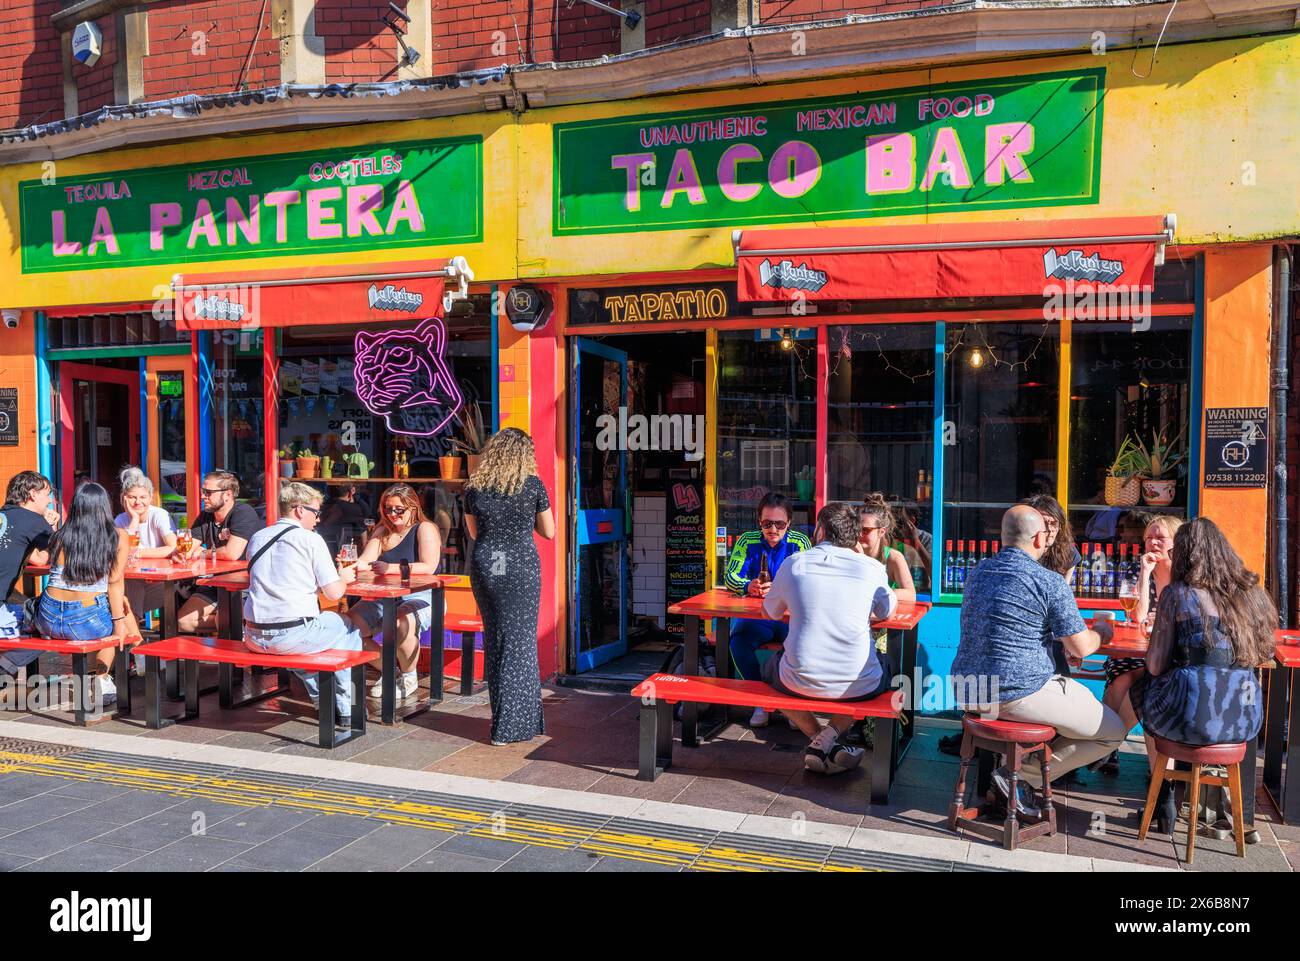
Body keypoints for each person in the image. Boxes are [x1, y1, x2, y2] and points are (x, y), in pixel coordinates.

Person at [952, 505, 1126, 819]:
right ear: (1037, 539)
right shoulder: (1048, 582)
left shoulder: (978, 572)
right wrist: (1103, 630)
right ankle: (1018, 777)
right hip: (1014, 693)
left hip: (968, 691)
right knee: (1112, 731)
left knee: (1073, 699)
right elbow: (1082, 648)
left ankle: (1017, 780)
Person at [1130, 518, 1275, 833]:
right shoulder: (1252, 592)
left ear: (1185, 554)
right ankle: (1214, 809)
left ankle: (1163, 793)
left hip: (1193, 720)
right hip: (1245, 719)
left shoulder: (1178, 594)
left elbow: (1155, 665)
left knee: (1143, 687)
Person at [760, 502, 897, 774]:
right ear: (854, 534)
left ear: (820, 530)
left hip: (796, 680)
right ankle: (828, 740)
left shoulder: (794, 563)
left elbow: (769, 614)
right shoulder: (870, 568)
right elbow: (887, 611)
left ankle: (819, 741)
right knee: (886, 666)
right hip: (860, 685)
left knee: (769, 669)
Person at [464, 428, 555, 746]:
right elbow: (549, 531)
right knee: (520, 644)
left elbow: (475, 533)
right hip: (519, 568)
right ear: (524, 456)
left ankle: (525, 720)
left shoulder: (475, 488)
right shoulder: (533, 486)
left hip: (487, 566)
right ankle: (508, 727)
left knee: (498, 639)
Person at [242, 482, 362, 722]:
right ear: (299, 510)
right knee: (349, 628)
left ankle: (320, 701)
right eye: (316, 513)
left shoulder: (257, 537)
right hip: (292, 636)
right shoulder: (310, 540)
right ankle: (349, 707)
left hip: (253, 636)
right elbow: (334, 594)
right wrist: (344, 577)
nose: (318, 519)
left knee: (309, 640)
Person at [33, 482, 140, 706]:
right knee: (116, 612)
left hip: (47, 619)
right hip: (83, 622)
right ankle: (104, 677)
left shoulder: (61, 535)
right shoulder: (118, 536)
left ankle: (139, 653)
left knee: (119, 604)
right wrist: (119, 622)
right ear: (104, 507)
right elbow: (114, 583)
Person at [1098, 514, 1184, 774]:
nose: (1153, 543)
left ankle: (1104, 744)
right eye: (1149, 538)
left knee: (1144, 680)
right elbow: (1136, 616)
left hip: (1171, 654)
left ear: (1177, 542)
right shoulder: (1138, 570)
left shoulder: (1186, 574)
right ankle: (1105, 744)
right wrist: (1145, 573)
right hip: (1139, 650)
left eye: (1160, 537)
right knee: (1125, 675)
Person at [722, 492, 812, 727]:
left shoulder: (799, 542)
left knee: (805, 645)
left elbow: (809, 580)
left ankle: (794, 703)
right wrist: (747, 585)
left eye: (779, 524)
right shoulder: (746, 540)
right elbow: (729, 576)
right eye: (767, 523)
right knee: (737, 641)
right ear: (758, 521)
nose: (773, 529)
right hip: (757, 618)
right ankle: (761, 700)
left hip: (788, 619)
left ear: (789, 523)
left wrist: (782, 588)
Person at [347, 483, 442, 702]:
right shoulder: (383, 530)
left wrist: (390, 568)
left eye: (399, 509)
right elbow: (365, 561)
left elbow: (428, 566)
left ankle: (409, 676)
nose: (392, 514)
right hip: (385, 596)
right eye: (388, 509)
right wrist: (343, 569)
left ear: (413, 507)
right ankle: (391, 671)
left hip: (422, 594)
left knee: (401, 623)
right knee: (348, 625)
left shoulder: (424, 528)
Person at [175, 470, 262, 633]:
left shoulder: (243, 512)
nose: (203, 496)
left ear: (227, 494)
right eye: (203, 492)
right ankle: (231, 622)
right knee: (183, 621)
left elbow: (231, 553)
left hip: (243, 585)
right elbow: (185, 551)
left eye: (208, 492)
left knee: (225, 620)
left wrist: (202, 553)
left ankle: (231, 623)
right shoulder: (206, 516)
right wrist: (189, 551)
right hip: (214, 582)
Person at [0, 471, 59, 674]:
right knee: (54, 624)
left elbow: (35, 558)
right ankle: (3, 668)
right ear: (33, 494)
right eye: (47, 494)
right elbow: (47, 557)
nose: (50, 500)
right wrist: (49, 528)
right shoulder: (33, 519)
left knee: (24, 605)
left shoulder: (4, 516)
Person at [114, 466, 176, 622]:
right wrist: (134, 520)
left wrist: (137, 553)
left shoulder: (159, 515)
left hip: (163, 583)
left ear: (150, 497)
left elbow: (173, 547)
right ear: (124, 498)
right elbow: (119, 553)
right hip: (135, 581)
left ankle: (131, 633)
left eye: (143, 497)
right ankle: (132, 632)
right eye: (132, 497)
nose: (138, 502)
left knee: (126, 593)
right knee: (127, 586)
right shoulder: (121, 520)